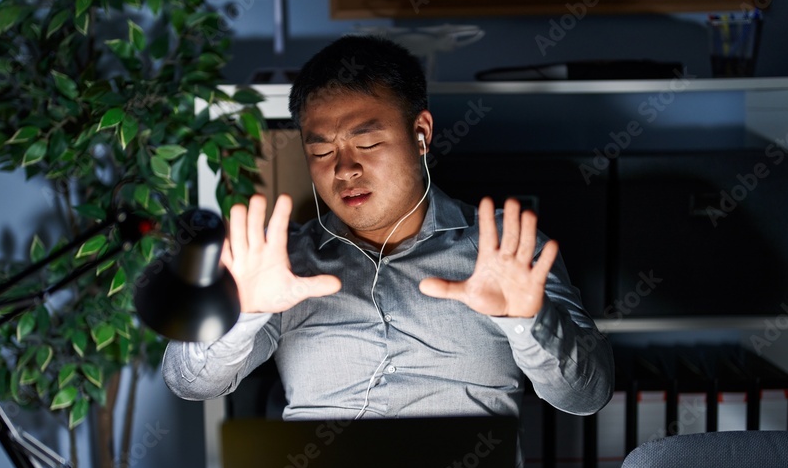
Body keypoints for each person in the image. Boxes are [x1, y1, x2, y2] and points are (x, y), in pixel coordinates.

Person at [162, 35, 613, 425]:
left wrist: (526, 322)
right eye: (321, 153)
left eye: (368, 143)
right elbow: (188, 383)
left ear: (421, 134)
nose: (344, 170)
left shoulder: (505, 251)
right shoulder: (284, 262)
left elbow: (587, 396)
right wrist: (243, 314)